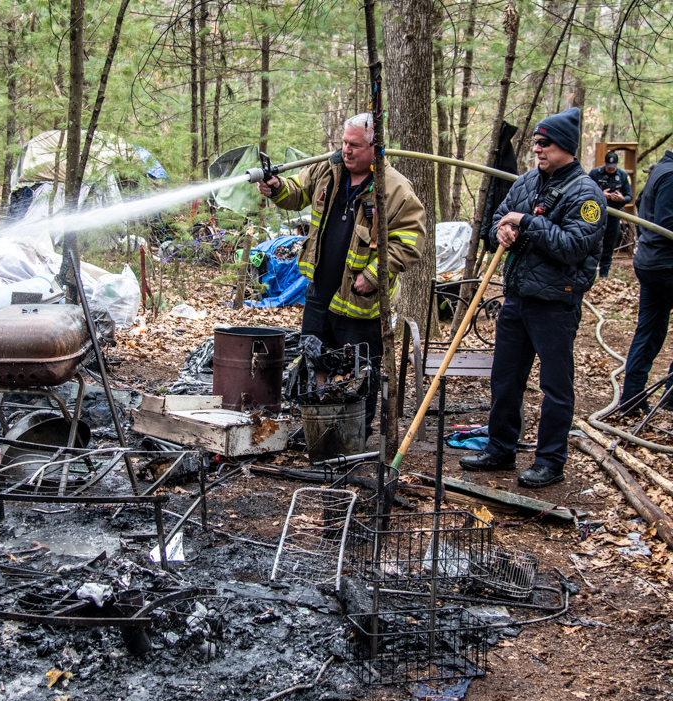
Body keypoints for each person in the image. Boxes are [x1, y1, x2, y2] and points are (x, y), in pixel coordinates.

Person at [459, 107, 606, 488]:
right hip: (516, 298)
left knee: (556, 386)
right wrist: (501, 233)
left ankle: (550, 461)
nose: (537, 149)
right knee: (505, 379)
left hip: (556, 303)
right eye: (536, 143)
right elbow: (499, 219)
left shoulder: (586, 194)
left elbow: (573, 246)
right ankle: (500, 448)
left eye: (545, 143)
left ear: (566, 147)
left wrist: (526, 223)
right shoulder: (525, 182)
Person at [256, 112, 425, 435]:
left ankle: (353, 436)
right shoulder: (327, 169)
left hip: (361, 302)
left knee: (357, 371)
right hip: (320, 291)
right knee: (316, 360)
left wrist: (374, 275)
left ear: (375, 148)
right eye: (344, 143)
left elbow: (410, 243)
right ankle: (319, 430)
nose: (346, 150)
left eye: (355, 145)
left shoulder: (396, 189)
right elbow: (297, 194)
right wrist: (277, 188)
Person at [618, 148, 673, 412]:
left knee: (651, 329)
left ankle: (632, 398)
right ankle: (670, 396)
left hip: (651, 262)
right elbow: (666, 224)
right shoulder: (670, 174)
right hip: (664, 264)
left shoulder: (659, 170)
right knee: (650, 329)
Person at [588, 150, 633, 277]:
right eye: (609, 167)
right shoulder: (594, 174)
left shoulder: (623, 176)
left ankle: (603, 275)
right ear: (604, 163)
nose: (611, 170)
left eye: (614, 168)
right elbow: (585, 193)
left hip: (614, 216)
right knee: (592, 244)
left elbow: (629, 196)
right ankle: (590, 273)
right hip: (595, 215)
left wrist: (622, 199)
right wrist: (601, 195)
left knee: (609, 246)